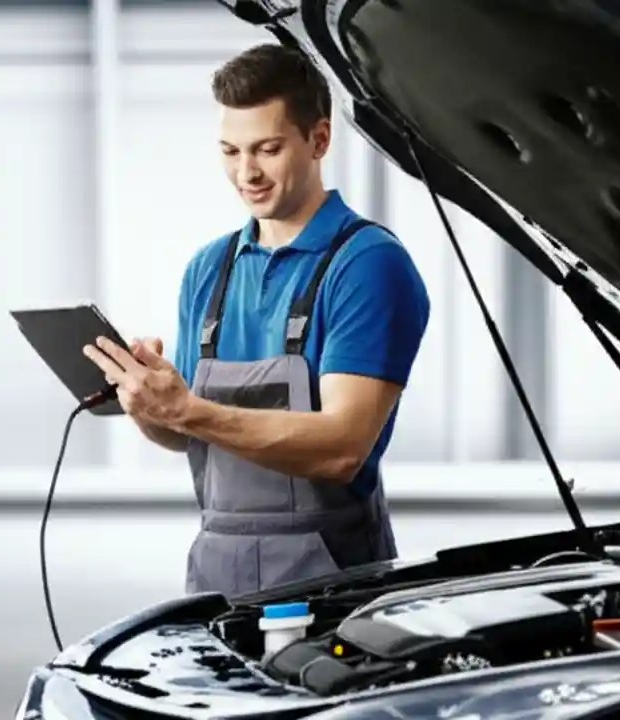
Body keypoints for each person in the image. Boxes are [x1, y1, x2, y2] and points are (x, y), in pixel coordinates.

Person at [83, 43, 430, 598]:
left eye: (267, 149)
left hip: (334, 588)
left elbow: (342, 447)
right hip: (215, 579)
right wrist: (147, 404)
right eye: (230, 151)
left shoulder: (367, 265)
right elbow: (188, 435)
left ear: (319, 139)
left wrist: (189, 408)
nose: (247, 173)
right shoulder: (208, 270)